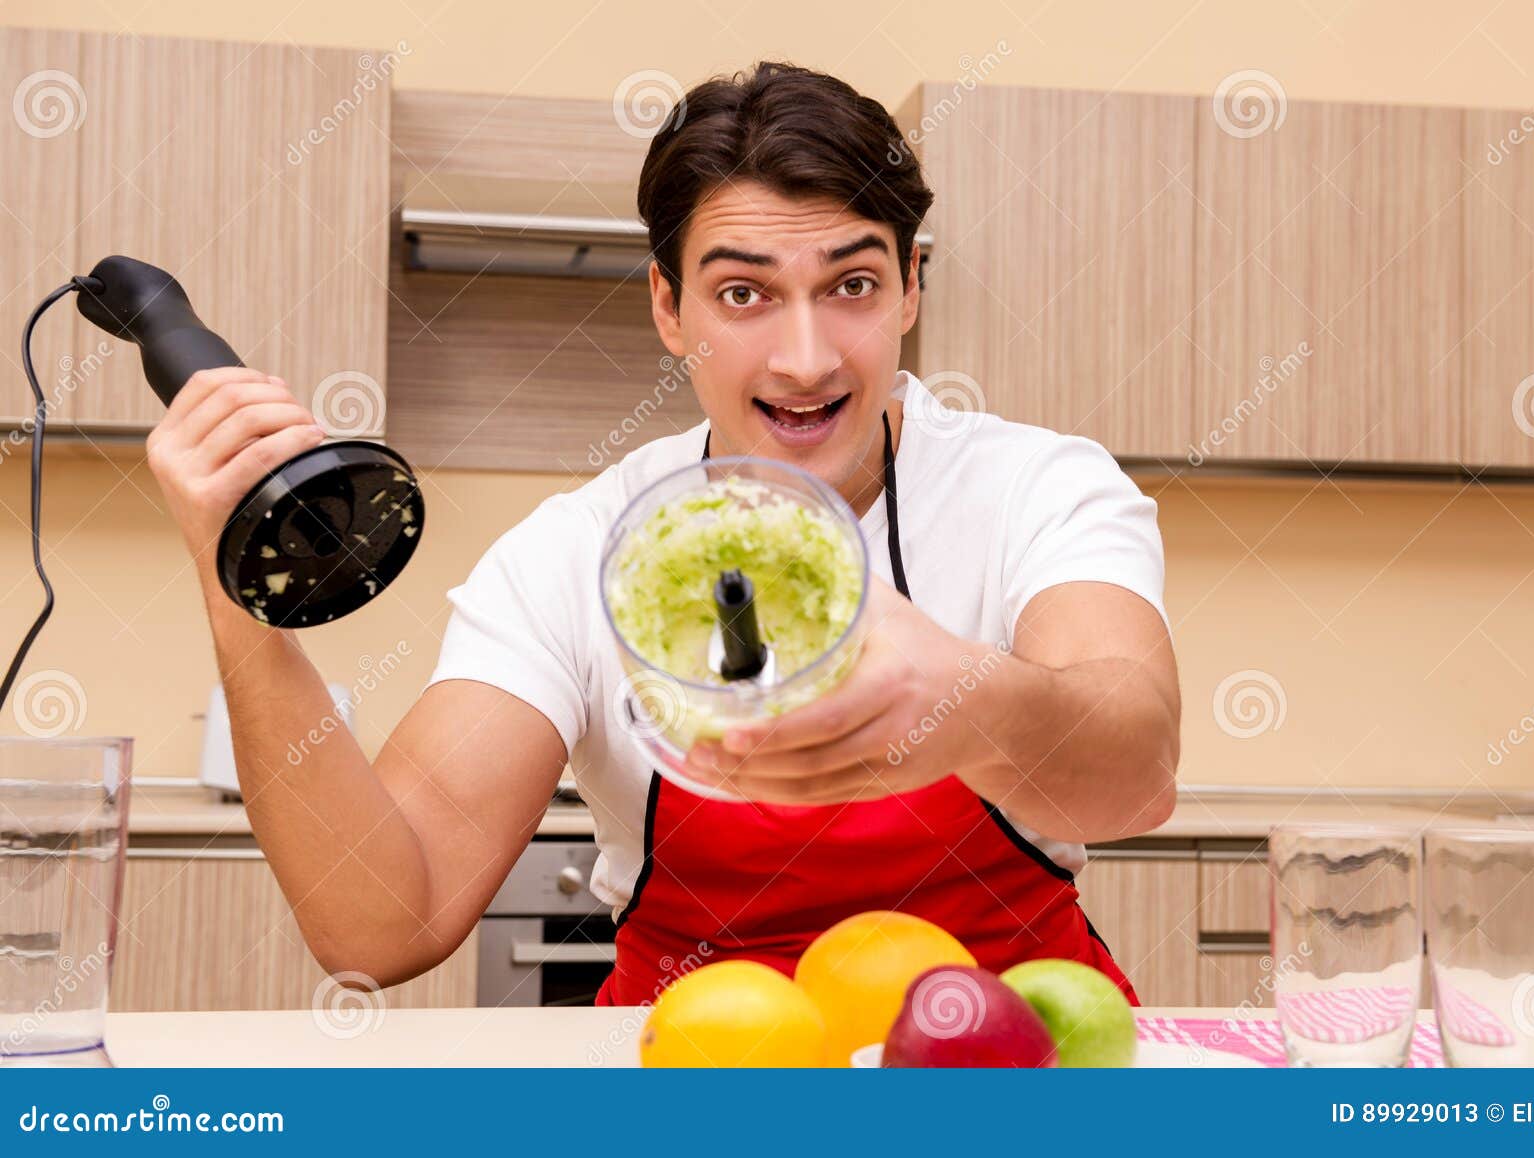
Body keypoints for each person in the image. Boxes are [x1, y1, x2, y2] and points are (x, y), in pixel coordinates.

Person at [145, 61, 1179, 1008]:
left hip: (1020, 1073)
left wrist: (965, 701)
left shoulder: (1033, 487)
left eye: (851, 285)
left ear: (911, 287)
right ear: (670, 308)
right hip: (698, 1075)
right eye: (744, 294)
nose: (807, 356)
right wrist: (235, 582)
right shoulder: (572, 552)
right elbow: (379, 924)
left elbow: (1136, 775)